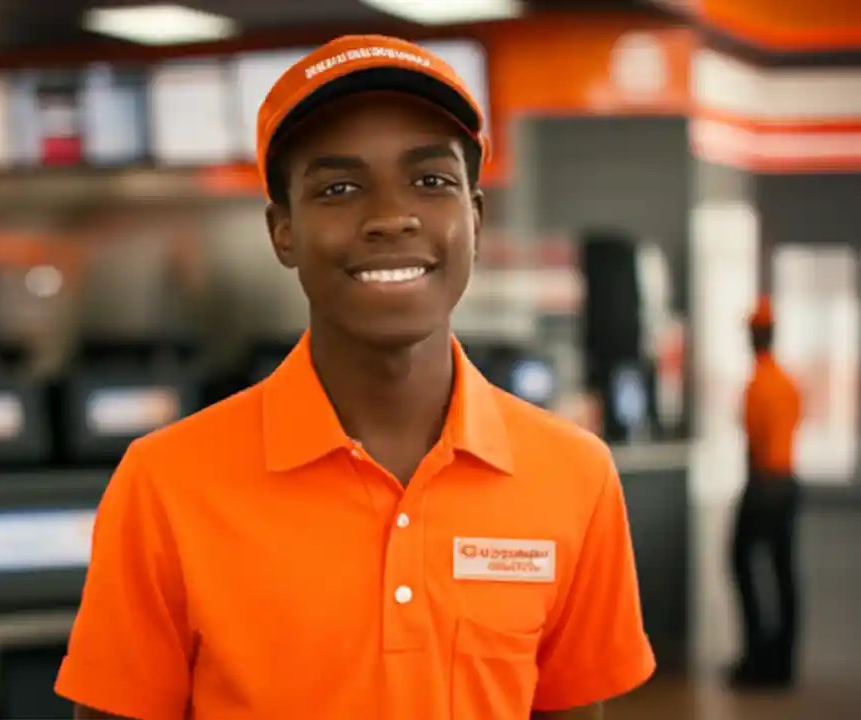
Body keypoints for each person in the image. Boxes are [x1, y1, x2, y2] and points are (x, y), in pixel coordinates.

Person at [55, 35, 655, 719]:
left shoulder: (574, 476)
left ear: (475, 222)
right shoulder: (164, 486)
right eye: (339, 188)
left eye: (431, 182)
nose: (390, 217)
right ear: (284, 231)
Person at [730, 296, 803, 689]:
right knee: (784, 572)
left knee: (741, 562)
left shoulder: (758, 384)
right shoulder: (787, 382)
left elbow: (754, 444)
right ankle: (784, 662)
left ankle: (757, 655)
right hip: (789, 483)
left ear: (754, 336)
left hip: (764, 485)